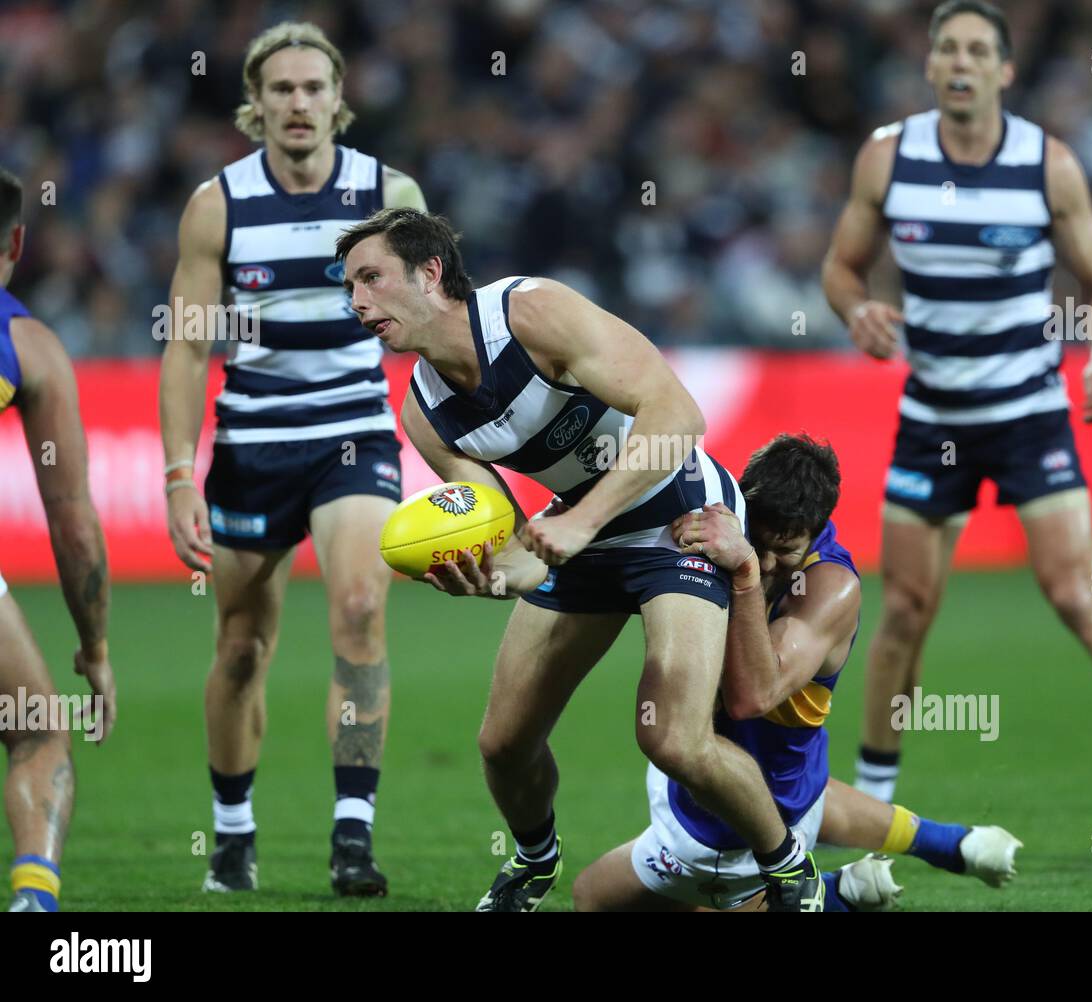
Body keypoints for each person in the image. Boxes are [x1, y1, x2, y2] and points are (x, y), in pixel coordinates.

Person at [821, 0, 1092, 850]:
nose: (961, 62)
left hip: (1027, 413)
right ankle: (871, 804)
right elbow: (839, 268)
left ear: (1006, 71)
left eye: (978, 49)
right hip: (932, 413)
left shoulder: (1049, 164)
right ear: (931, 66)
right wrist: (856, 311)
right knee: (902, 608)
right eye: (947, 49)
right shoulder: (888, 158)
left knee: (1078, 596)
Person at [337, 207, 825, 911]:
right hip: (581, 535)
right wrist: (495, 574)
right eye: (349, 287)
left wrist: (586, 517)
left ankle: (787, 869)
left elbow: (678, 414)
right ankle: (535, 862)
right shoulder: (424, 411)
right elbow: (498, 526)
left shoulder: (533, 313)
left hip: (678, 515)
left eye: (372, 278)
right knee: (504, 744)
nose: (357, 302)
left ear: (431, 273)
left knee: (674, 740)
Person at [158, 22, 429, 896]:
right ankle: (233, 833)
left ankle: (353, 836)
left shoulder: (387, 194)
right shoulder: (219, 204)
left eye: (314, 87)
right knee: (242, 647)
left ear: (338, 98)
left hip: (352, 431)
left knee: (358, 607)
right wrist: (175, 474)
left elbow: (436, 328)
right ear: (257, 103)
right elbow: (189, 349)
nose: (300, 103)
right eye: (282, 89)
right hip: (251, 444)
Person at [570, 434, 1020, 911]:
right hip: (791, 778)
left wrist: (742, 574)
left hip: (729, 827)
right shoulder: (720, 520)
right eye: (757, 542)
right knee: (767, 770)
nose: (766, 561)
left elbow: (750, 697)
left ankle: (830, 897)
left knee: (592, 898)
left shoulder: (831, 589)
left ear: (816, 532)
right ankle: (953, 843)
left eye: (783, 552)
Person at [0, 167, 115, 912]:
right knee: (40, 729)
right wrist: (95, 649)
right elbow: (72, 521)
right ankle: (33, 903)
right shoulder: (26, 344)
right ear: (14, 242)